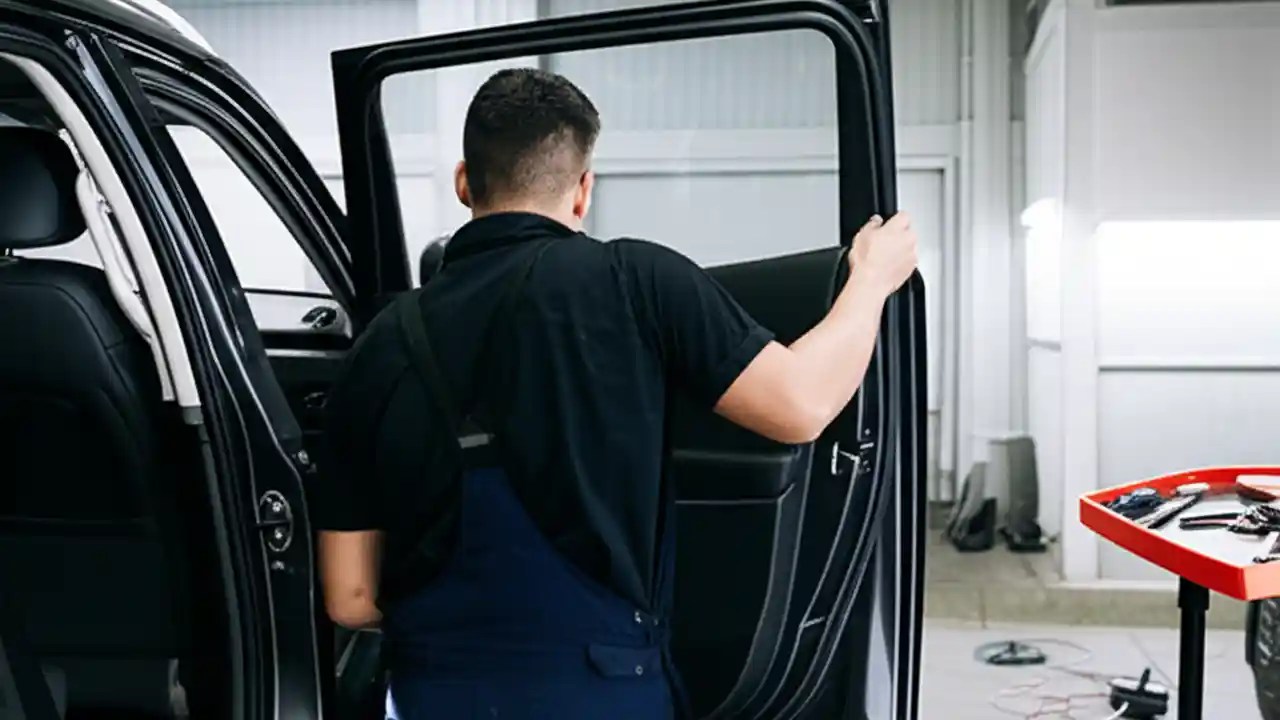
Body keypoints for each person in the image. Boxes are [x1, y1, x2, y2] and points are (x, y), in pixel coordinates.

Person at [312, 67, 917, 719]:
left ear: (465, 182)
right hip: (603, 689)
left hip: (433, 691)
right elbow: (801, 405)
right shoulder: (636, 281)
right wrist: (871, 281)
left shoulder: (379, 344)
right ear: (582, 192)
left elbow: (349, 597)